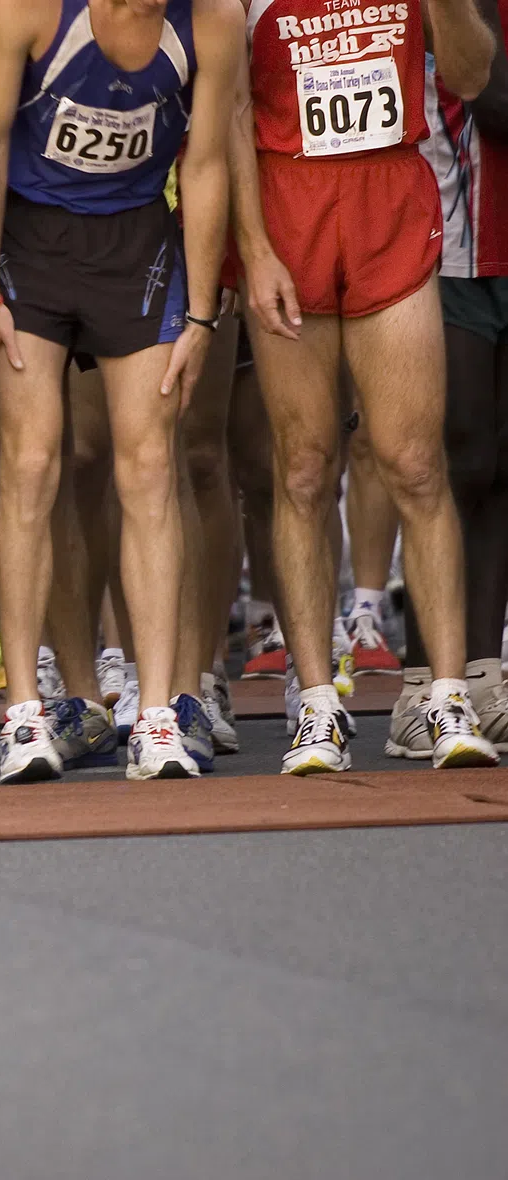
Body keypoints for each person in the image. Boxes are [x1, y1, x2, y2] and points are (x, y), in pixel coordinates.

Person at [0, 0, 242, 783]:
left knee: (149, 468)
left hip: (134, 247)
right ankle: (24, 712)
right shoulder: (32, 11)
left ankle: (154, 712)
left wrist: (199, 312)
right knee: (31, 464)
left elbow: (206, 161)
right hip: (33, 241)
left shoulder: (211, 21)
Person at [236, 0, 498, 772]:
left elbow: (471, 73)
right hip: (288, 199)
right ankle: (316, 703)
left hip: (387, 194)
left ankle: (443, 694)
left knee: (414, 463)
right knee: (304, 468)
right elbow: (222, 110)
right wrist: (250, 248)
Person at [391, 0, 508, 756]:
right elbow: (488, 96)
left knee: (499, 464)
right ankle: (417, 684)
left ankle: (483, 670)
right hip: (450, 233)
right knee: (453, 456)